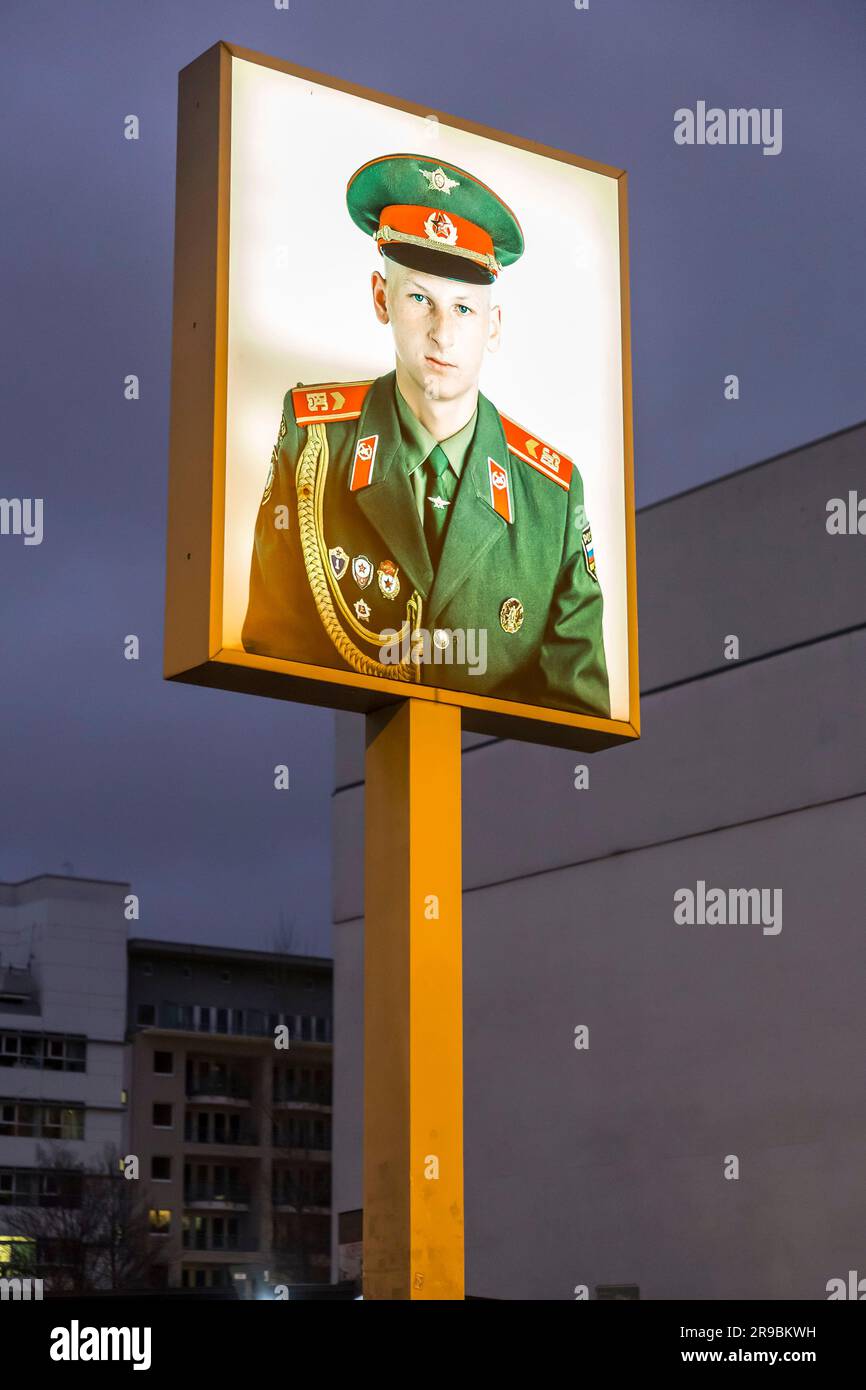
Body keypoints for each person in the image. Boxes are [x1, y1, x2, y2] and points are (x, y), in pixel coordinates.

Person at [241, 153, 609, 716]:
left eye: (464, 307)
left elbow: (576, 716)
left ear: (494, 326)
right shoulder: (314, 440)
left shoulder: (552, 499)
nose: (443, 333)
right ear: (380, 298)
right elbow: (273, 654)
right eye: (420, 298)